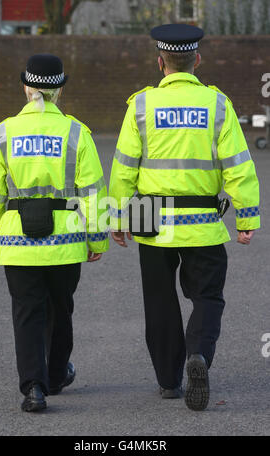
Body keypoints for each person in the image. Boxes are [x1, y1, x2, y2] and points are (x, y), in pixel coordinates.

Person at [108, 24, 260, 411]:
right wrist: (247, 217)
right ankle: (199, 356)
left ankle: (167, 381)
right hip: (203, 216)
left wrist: (117, 217)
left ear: (161, 63)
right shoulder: (218, 104)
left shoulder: (140, 105)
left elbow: (124, 167)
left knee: (158, 300)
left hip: (148, 213)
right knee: (207, 296)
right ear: (198, 60)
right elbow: (238, 167)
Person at [0, 54, 109, 412]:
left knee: (27, 313)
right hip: (66, 245)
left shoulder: (4, 132)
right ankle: (55, 376)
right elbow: (94, 193)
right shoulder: (76, 132)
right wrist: (96, 239)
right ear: (59, 90)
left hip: (18, 242)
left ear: (27, 88)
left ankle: (33, 388)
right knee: (60, 310)